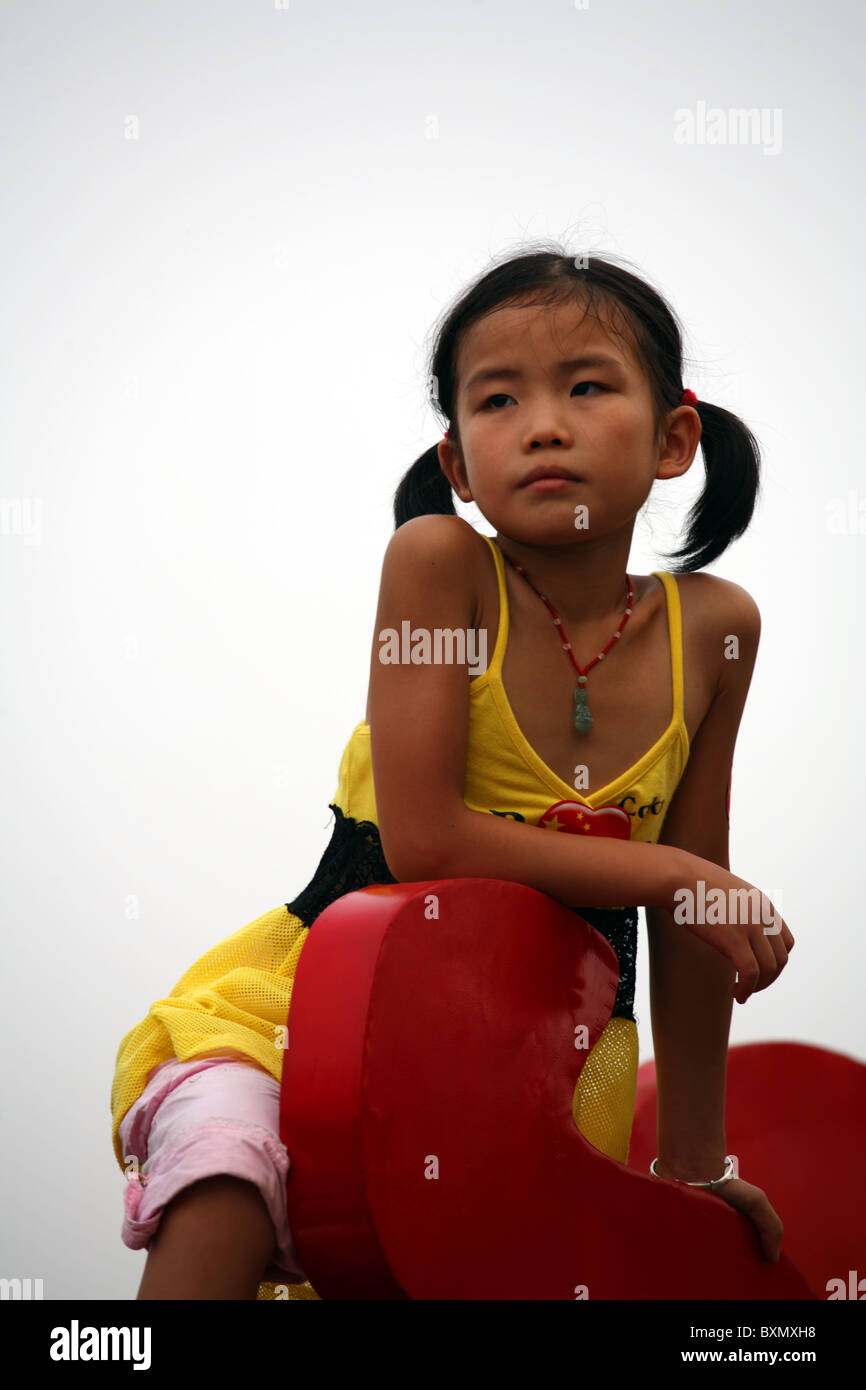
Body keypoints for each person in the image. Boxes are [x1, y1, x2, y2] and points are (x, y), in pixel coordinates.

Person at [110, 246, 794, 1300]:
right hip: (315, 1017)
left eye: (584, 385)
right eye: (497, 397)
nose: (543, 422)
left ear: (672, 439)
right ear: (459, 465)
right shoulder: (438, 566)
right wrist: (669, 874)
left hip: (547, 1072)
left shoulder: (714, 630)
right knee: (225, 1174)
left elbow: (693, 925)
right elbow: (427, 837)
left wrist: (692, 1162)